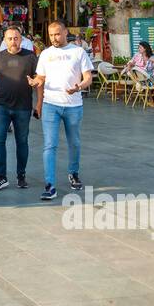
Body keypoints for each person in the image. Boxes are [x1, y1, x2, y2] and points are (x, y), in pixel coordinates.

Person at [32, 19, 93, 201]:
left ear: (66, 33)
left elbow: (88, 77)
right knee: (50, 145)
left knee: (74, 142)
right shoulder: (45, 54)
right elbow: (41, 77)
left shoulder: (78, 52)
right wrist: (36, 84)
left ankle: (73, 173)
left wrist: (79, 87)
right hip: (51, 104)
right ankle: (50, 185)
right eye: (51, 35)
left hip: (73, 105)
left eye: (57, 34)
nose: (54, 38)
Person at [0, 26, 38, 190]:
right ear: (4, 40)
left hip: (23, 107)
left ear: (21, 39)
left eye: (16, 38)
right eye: (10, 38)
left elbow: (39, 81)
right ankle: (1, 177)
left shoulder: (30, 57)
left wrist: (39, 103)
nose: (13, 41)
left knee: (22, 142)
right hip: (1, 106)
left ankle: (21, 175)